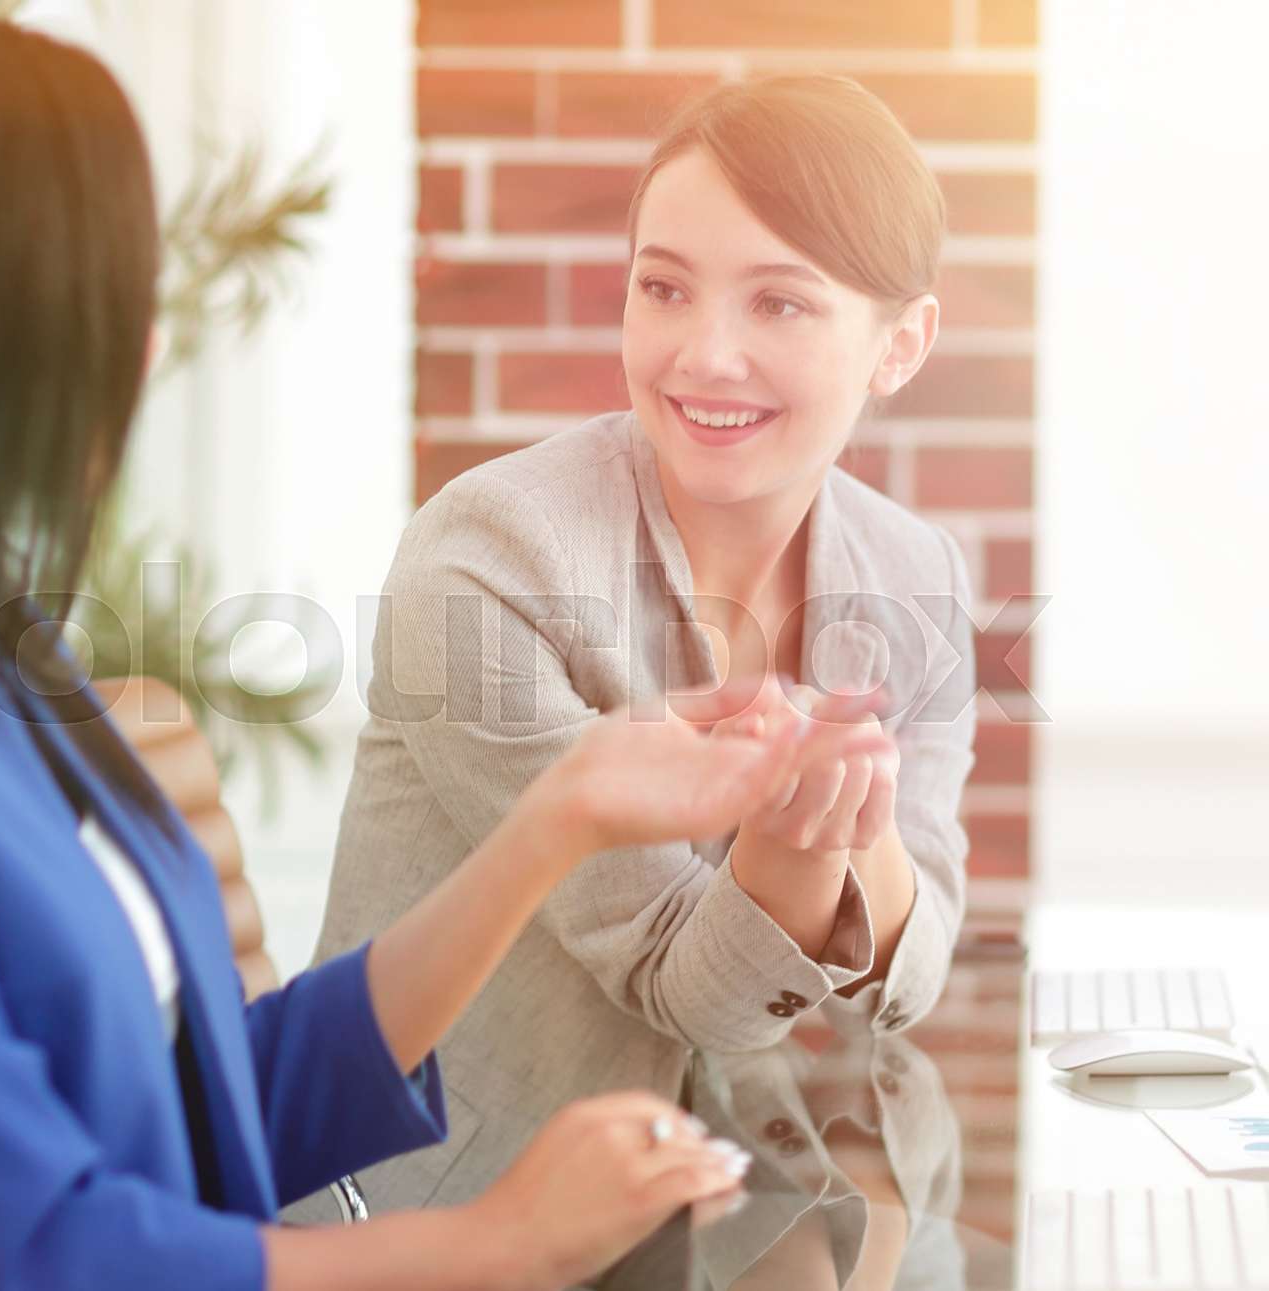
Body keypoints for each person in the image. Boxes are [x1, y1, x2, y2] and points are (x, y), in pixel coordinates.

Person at [0, 14, 891, 1291]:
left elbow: (224, 1107)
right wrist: (496, 1246)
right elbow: (38, 1251)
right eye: (106, 293)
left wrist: (560, 817)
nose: (141, 348)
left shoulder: (3, 665)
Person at [306, 76, 979, 1215]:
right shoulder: (490, 556)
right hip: (423, 1226)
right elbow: (680, 982)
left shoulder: (912, 574)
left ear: (899, 344)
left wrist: (844, 824)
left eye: (779, 304)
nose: (704, 356)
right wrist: (808, 846)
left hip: (715, 1216)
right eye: (663, 287)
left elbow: (910, 974)